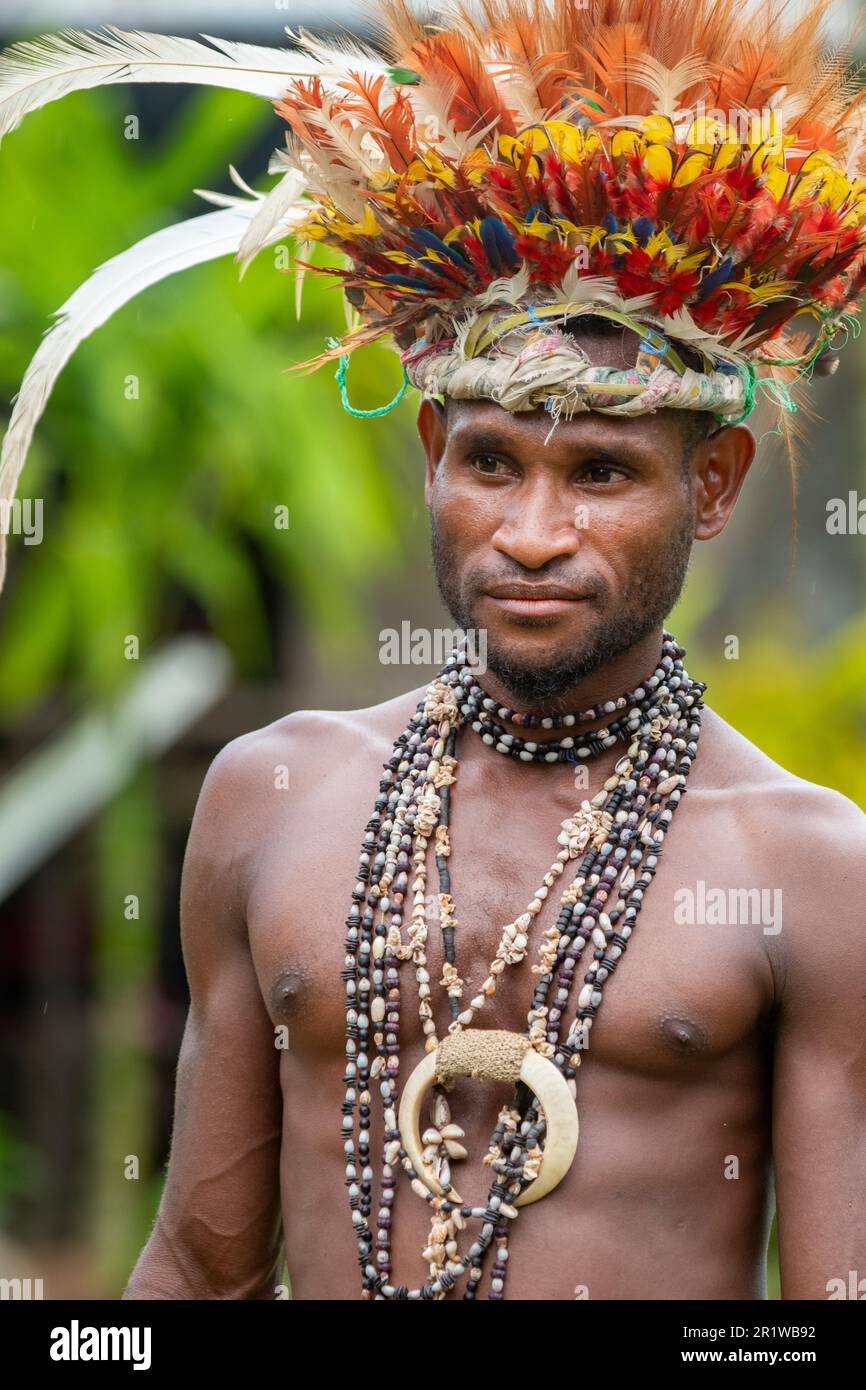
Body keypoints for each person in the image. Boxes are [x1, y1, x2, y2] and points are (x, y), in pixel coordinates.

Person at [2, 0, 865, 1302]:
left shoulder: (804, 867)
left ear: (711, 485)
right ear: (430, 458)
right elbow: (196, 1262)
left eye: (599, 471)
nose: (531, 532)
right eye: (490, 461)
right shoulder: (271, 797)